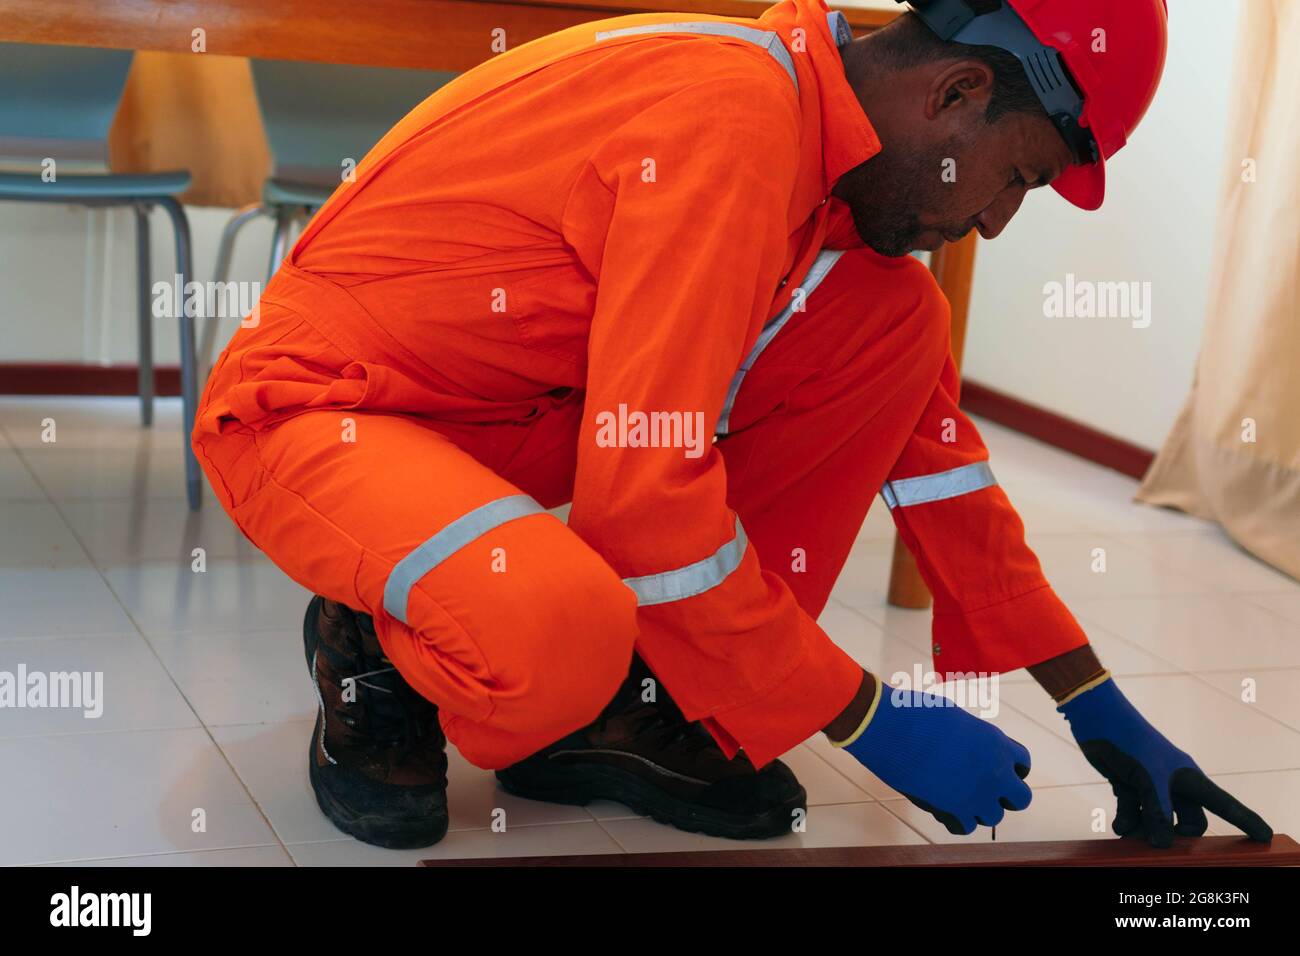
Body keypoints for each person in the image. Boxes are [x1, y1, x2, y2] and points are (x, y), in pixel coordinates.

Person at [192, 0, 1273, 849]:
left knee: (897, 319)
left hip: (499, 423)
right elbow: (646, 504)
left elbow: (938, 464)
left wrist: (1088, 695)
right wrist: (861, 714)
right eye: (1019, 176)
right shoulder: (730, 121)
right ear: (957, 89)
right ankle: (369, 635)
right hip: (326, 412)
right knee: (550, 628)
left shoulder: (810, 153)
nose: (994, 216)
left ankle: (635, 700)